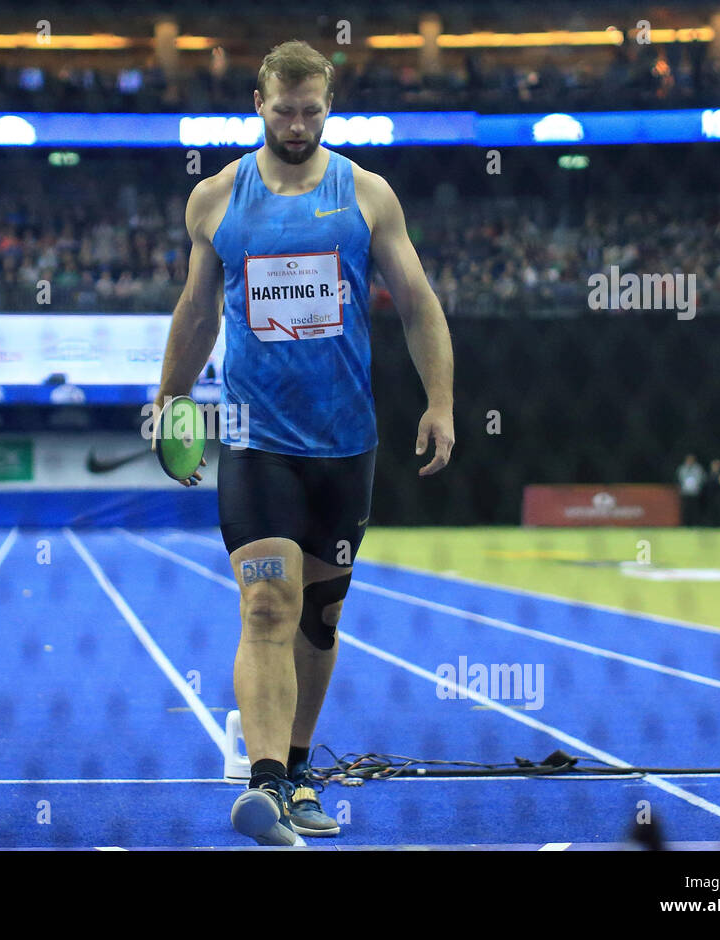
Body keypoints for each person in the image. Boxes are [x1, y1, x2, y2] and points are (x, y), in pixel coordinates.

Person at [152, 40, 454, 845]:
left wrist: (441, 403)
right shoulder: (216, 200)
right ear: (258, 103)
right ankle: (264, 783)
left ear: (329, 105)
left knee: (321, 614)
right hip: (255, 439)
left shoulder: (367, 194)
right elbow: (196, 310)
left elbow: (419, 304)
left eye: (311, 110)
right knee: (267, 601)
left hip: (346, 441)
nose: (296, 123)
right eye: (283, 109)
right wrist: (169, 399)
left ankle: (297, 772)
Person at [676, 454, 704, 526]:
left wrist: (697, 486)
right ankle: (685, 524)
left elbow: (701, 479)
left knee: (695, 510)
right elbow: (679, 479)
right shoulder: (682, 468)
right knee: (685, 509)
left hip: (695, 493)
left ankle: (695, 524)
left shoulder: (698, 469)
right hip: (685, 492)